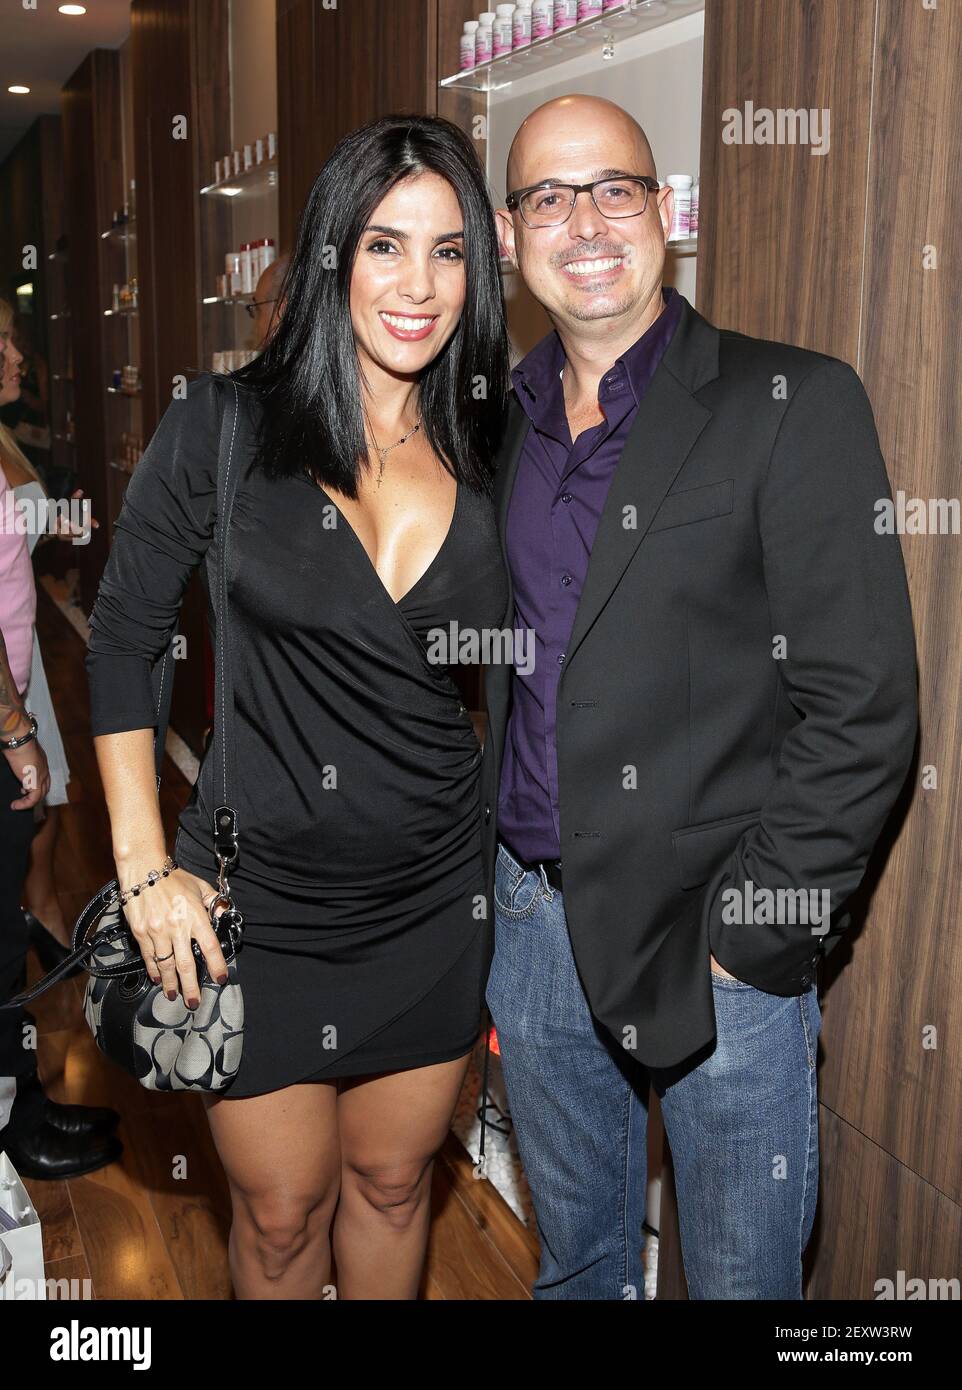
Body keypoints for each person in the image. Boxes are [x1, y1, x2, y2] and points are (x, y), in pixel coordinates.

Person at [480, 95, 918, 1300]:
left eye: (612, 188)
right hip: (531, 927)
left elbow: (864, 705)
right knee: (578, 1268)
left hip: (712, 941)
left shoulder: (793, 403)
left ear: (662, 213)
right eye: (547, 198)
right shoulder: (496, 422)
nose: (583, 221)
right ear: (511, 236)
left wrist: (751, 942)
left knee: (739, 1283)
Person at [85, 114, 509, 1299]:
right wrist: (139, 867)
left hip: (431, 893)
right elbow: (124, 638)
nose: (416, 285)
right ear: (331, 253)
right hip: (253, 902)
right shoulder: (221, 429)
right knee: (279, 1217)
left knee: (388, 1185)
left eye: (447, 250)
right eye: (384, 245)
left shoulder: (494, 438)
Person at [0, 324, 120, 1178]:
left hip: (16, 673)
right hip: (1, 706)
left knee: (10, 902)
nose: (16, 358)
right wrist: (14, 728)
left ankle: (27, 1104)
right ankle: (18, 1122)